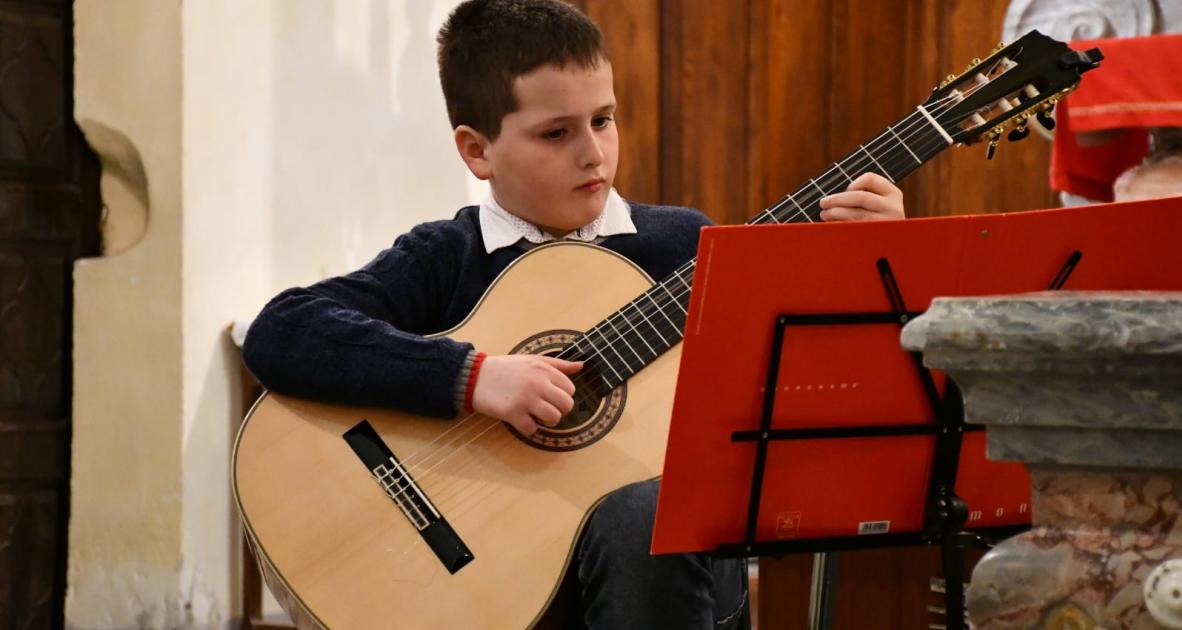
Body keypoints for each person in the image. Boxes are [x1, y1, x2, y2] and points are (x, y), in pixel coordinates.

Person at [242, 1, 904, 628]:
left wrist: (874, 266)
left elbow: (813, 384)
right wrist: (472, 377)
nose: (593, 153)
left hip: (670, 577)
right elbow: (283, 330)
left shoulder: (683, 247)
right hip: (498, 585)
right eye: (556, 133)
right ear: (477, 150)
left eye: (604, 120)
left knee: (647, 510)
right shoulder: (447, 256)